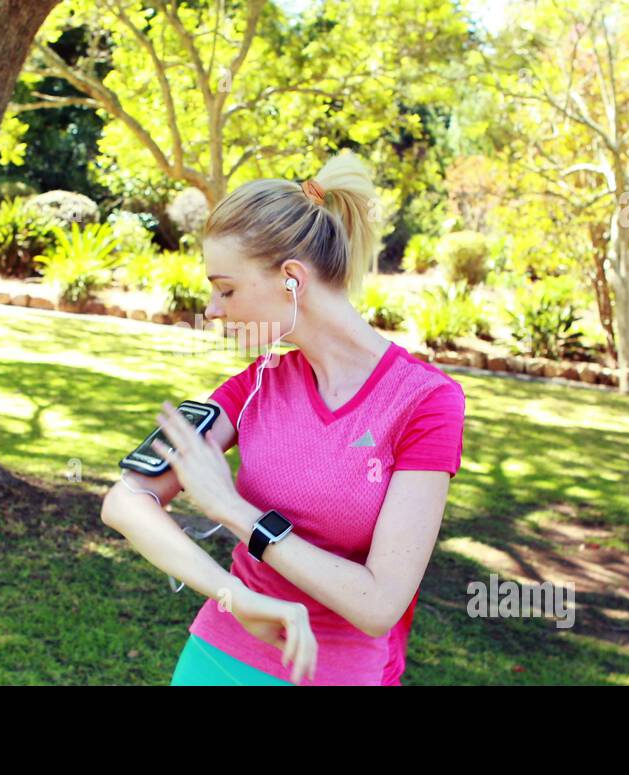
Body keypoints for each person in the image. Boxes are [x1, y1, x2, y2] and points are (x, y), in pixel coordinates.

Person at [100, 149, 466, 685]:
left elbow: (379, 603)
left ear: (291, 278)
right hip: (216, 659)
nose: (215, 309)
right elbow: (126, 500)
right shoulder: (257, 384)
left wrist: (234, 510)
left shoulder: (426, 402)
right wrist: (237, 596)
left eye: (225, 289)